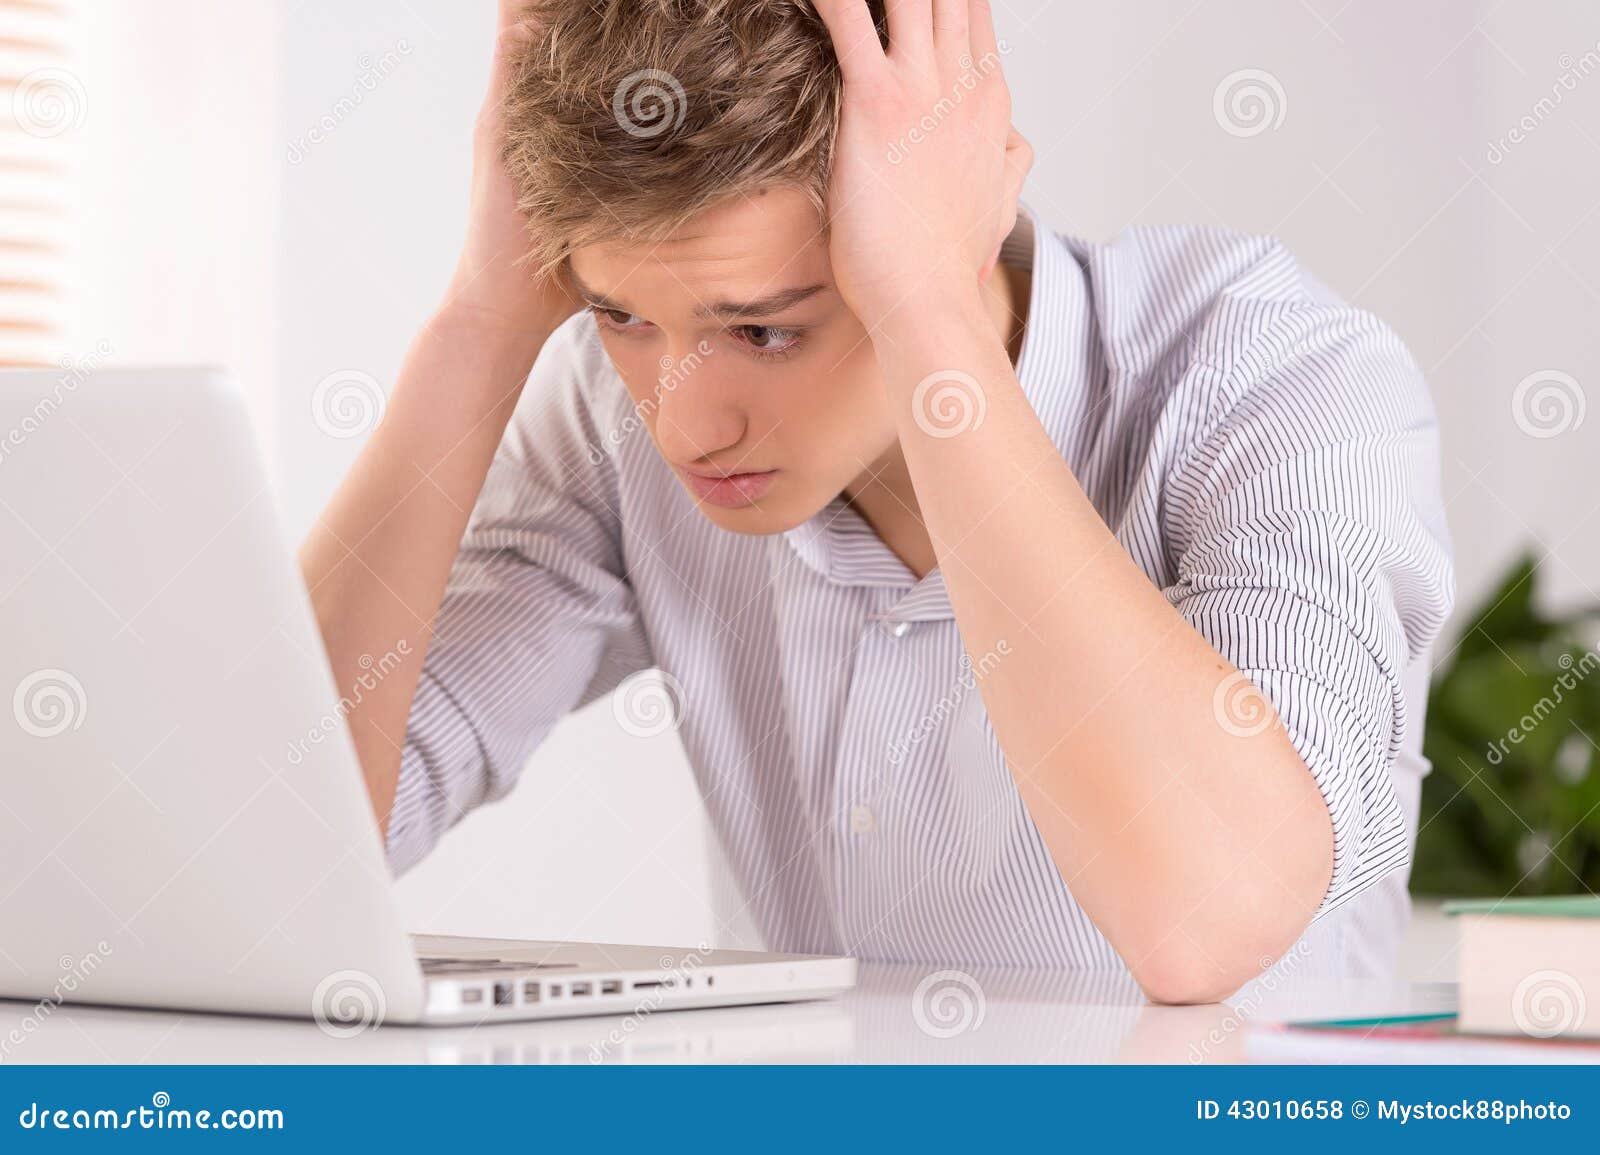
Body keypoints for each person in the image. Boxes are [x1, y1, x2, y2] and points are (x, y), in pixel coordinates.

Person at [300, 0, 1453, 1004]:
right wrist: (476, 326)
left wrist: (928, 316)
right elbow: (278, 853)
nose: (686, 421)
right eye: (619, 316)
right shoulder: (611, 424)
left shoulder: (1274, 377)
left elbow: (1209, 916)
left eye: (766, 329)